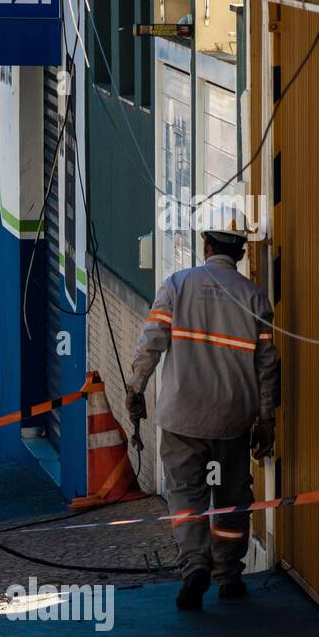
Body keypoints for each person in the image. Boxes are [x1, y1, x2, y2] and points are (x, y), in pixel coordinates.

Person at [126, 213, 280, 610]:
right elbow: (267, 365)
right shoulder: (255, 298)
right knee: (231, 496)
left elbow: (150, 344)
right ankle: (228, 575)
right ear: (241, 253)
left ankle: (194, 564)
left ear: (207, 247)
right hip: (232, 418)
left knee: (186, 494)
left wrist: (135, 388)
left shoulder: (177, 285)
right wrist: (267, 419)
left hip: (182, 416)